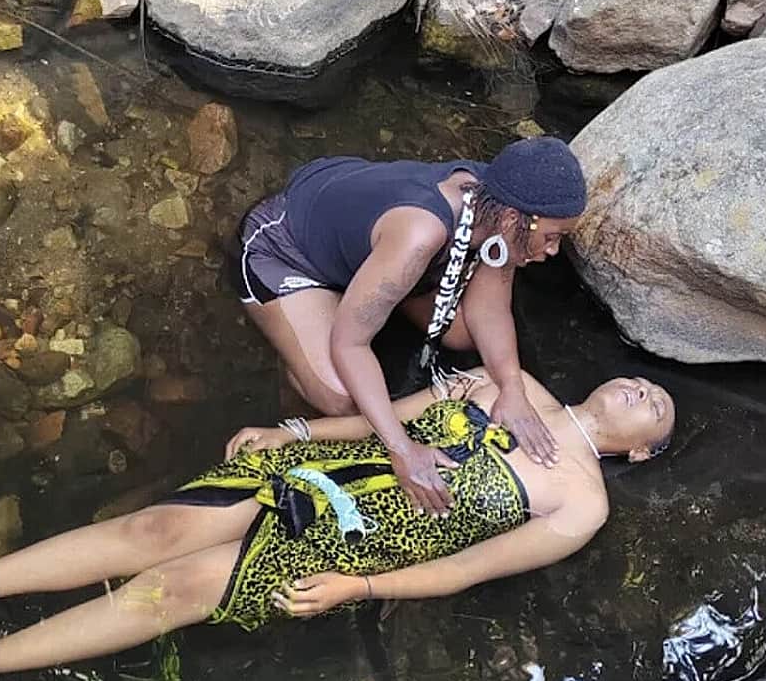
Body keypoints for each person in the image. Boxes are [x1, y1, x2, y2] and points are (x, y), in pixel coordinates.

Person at [0, 368, 673, 681]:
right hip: (317, 471)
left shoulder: (582, 502)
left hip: (350, 545)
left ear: (639, 449)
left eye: (655, 406)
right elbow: (383, 417)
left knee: (173, 590)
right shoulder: (510, 376)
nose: (641, 389)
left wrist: (359, 589)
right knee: (154, 527)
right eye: (642, 381)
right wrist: (296, 430)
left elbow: (466, 568)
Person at [233, 138, 587, 518]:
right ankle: (300, 354)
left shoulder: (498, 202)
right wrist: (402, 449)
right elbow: (350, 346)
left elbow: (489, 309)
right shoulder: (422, 233)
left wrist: (512, 387)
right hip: (285, 250)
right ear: (513, 220)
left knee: (463, 334)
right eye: (552, 238)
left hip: (370, 238)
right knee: (340, 396)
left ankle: (380, 286)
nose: (552, 251)